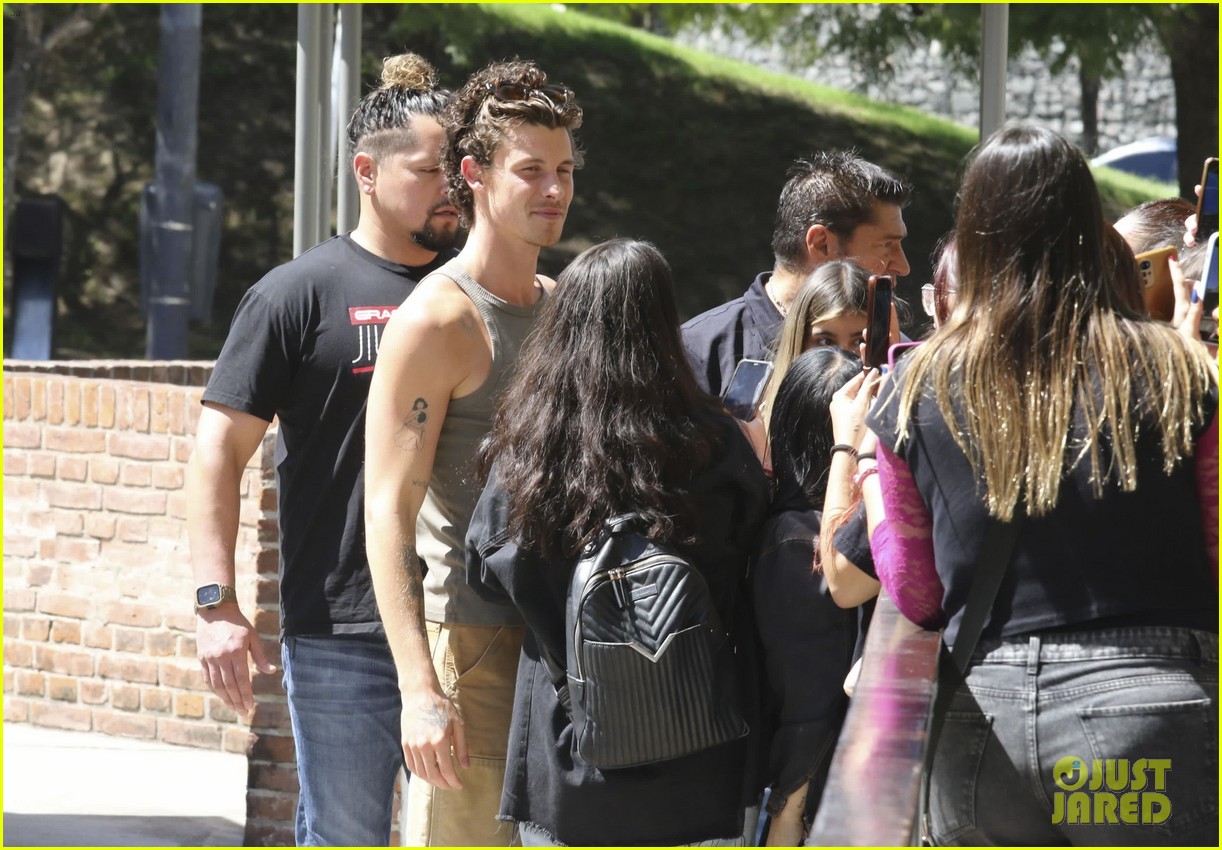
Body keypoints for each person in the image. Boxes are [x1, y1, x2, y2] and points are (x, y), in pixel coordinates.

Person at [863, 125, 1218, 845]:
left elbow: (919, 595)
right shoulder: (1182, 371)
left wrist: (867, 476)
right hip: (1144, 717)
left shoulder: (913, 387)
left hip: (980, 724)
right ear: (1092, 229)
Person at [186, 54, 458, 846]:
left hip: (462, 619)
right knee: (347, 836)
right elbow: (217, 450)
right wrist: (216, 604)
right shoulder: (297, 294)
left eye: (458, 170)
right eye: (429, 170)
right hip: (341, 628)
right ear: (367, 171)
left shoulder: (470, 294)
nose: (451, 188)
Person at [464, 238, 771, 846]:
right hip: (700, 756)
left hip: (572, 756)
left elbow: (486, 569)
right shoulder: (713, 442)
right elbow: (753, 560)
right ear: (663, 324)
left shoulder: (531, 450)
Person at [363, 59, 582, 847]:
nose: (553, 189)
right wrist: (419, 686)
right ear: (474, 175)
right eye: (530, 170)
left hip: (564, 634)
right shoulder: (439, 320)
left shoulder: (563, 307)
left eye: (562, 170)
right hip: (472, 639)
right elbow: (387, 506)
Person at [682, 150, 911, 398]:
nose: (903, 267)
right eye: (887, 245)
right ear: (822, 243)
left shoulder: (899, 358)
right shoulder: (698, 354)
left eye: (856, 341)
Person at [751, 347, 863, 846]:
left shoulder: (802, 532)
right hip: (816, 805)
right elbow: (807, 700)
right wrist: (788, 810)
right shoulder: (801, 542)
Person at [759, 259, 871, 429]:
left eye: (858, 342)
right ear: (799, 339)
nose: (841, 356)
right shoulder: (759, 423)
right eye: (825, 342)